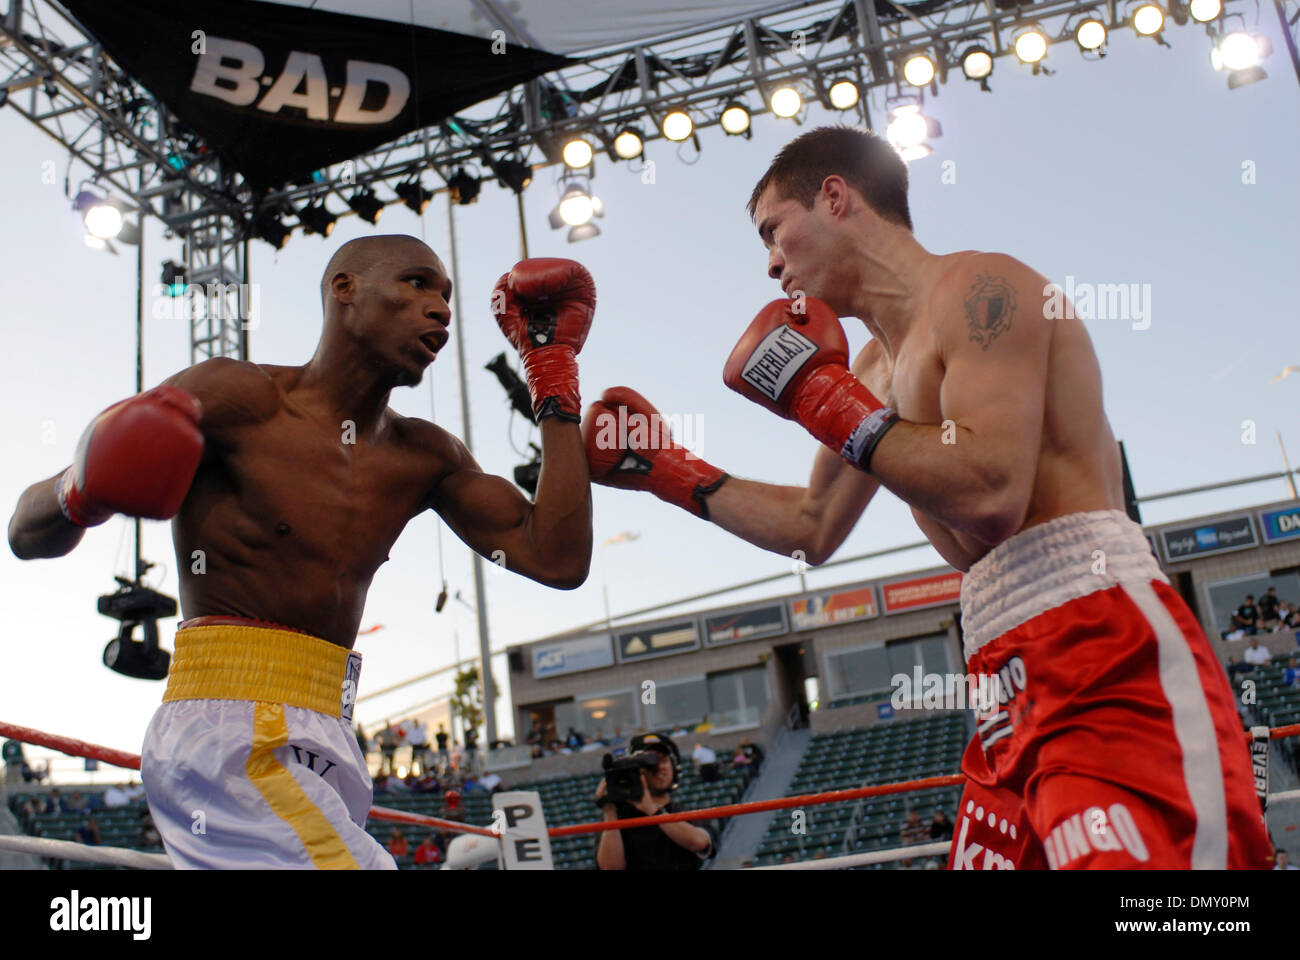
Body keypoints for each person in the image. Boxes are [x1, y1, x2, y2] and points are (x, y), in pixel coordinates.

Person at [582, 126, 1270, 869]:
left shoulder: (984, 289)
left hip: (1099, 635)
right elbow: (810, 527)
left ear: (836, 197)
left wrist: (826, 402)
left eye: (774, 231)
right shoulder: (871, 371)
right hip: (1001, 669)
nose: (772, 263)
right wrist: (671, 472)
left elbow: (993, 490)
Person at [7, 237, 595, 870]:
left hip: (328, 730)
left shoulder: (426, 456)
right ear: (344, 289)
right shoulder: (241, 398)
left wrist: (553, 379)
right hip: (229, 727)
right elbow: (22, 529)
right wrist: (82, 488)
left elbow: (556, 558)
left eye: (446, 297)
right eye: (418, 284)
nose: (441, 310)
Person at [594, 733, 716, 870]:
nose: (659, 767)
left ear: (674, 767)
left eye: (663, 760)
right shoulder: (617, 819)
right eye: (650, 763)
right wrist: (609, 812)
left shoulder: (688, 813)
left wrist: (652, 810)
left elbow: (699, 843)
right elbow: (610, 868)